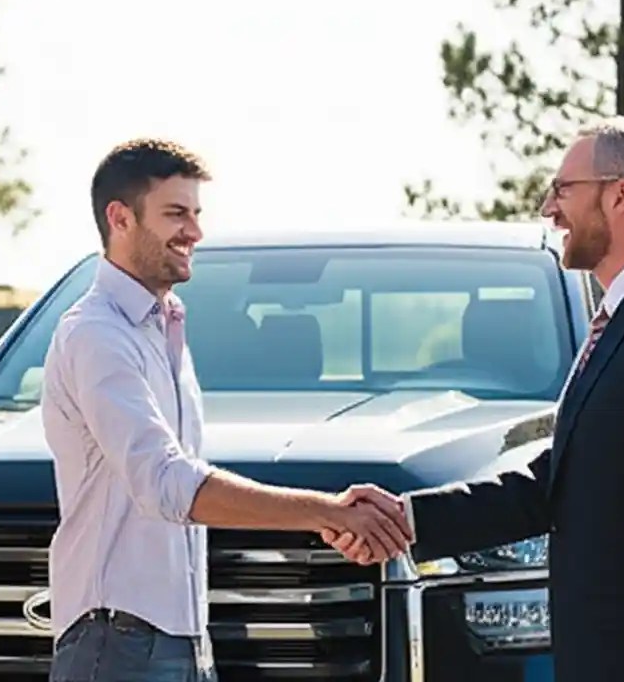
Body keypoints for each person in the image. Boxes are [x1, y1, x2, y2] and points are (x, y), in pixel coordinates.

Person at [329, 117, 624, 682]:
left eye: (562, 190)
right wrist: (404, 519)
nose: (548, 208)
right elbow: (556, 486)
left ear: (620, 195)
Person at [40, 138, 411, 682]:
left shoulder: (163, 325)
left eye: (195, 213)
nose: (193, 231)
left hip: (181, 638)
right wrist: (328, 512)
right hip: (117, 643)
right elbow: (165, 482)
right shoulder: (97, 333)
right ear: (119, 217)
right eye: (175, 214)